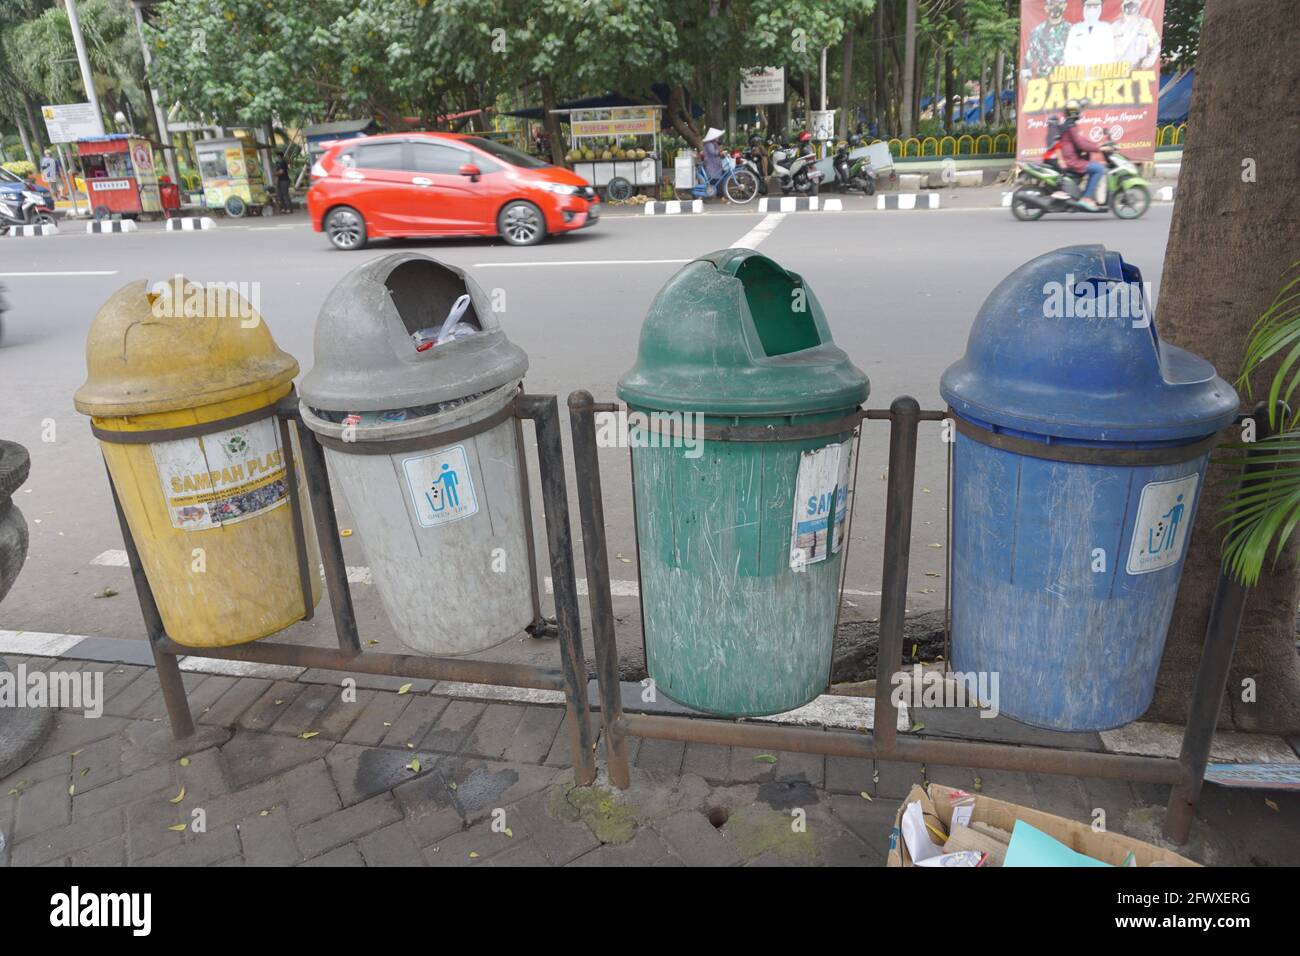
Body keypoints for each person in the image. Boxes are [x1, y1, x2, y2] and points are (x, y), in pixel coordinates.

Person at [1055, 100, 1104, 209]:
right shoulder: (1071, 126)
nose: (1080, 113)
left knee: (1095, 167)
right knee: (1099, 169)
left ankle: (1085, 193)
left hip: (1071, 159)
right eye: (1078, 110)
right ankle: (1086, 198)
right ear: (1074, 112)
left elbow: (1082, 140)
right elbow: (1081, 144)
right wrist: (1098, 148)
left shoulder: (1070, 125)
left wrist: (1097, 145)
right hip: (1072, 161)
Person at [1064, 0, 1116, 76]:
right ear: (1084, 8)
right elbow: (1069, 54)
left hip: (1101, 74)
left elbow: (1110, 54)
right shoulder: (1075, 29)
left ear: (1100, 9)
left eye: (1095, 7)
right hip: (1078, 75)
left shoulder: (1106, 28)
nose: (1092, 10)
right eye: (1089, 7)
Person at [1025, 0, 1072, 79]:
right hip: (1044, 85)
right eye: (1052, 4)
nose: (1055, 7)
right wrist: (1028, 83)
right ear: (1046, 7)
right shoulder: (1037, 32)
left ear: (1064, 6)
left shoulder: (1072, 30)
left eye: (1059, 4)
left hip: (1068, 82)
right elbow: (1027, 62)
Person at [1112, 0, 1161, 70]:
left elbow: (1156, 46)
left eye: (1133, 4)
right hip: (1117, 70)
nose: (1131, 8)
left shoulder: (1146, 24)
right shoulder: (1114, 26)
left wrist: (1150, 60)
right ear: (1123, 6)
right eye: (1128, 5)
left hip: (1138, 71)